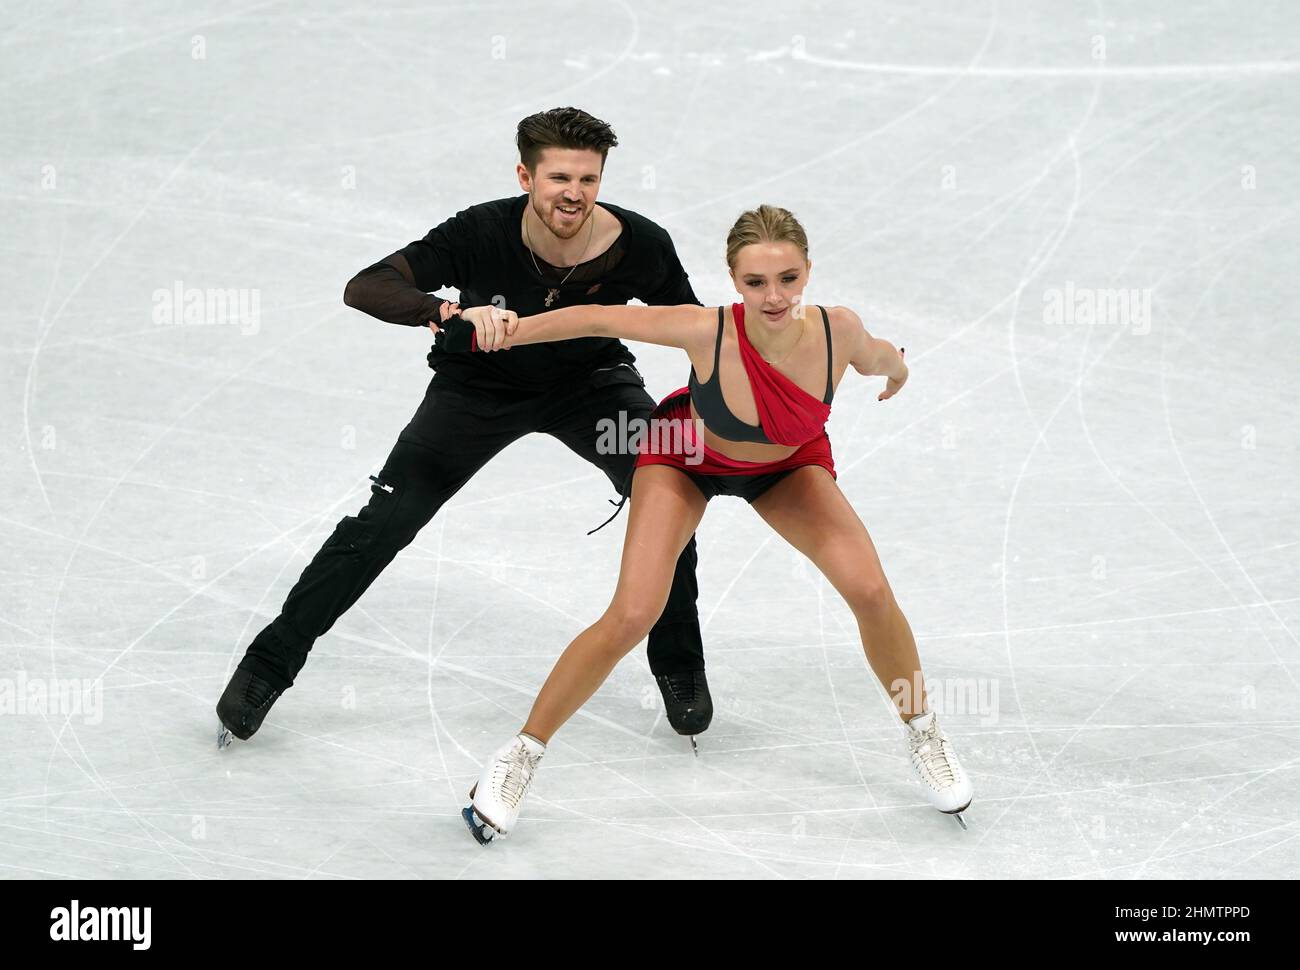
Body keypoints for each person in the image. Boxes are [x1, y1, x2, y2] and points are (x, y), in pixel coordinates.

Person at [449, 204, 974, 843]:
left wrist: (900, 371)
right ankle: (519, 757)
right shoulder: (707, 331)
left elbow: (880, 357)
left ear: (808, 271)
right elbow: (592, 317)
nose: (773, 296)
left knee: (869, 590)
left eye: (787, 278)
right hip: (685, 460)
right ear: (734, 281)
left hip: (786, 468)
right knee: (633, 614)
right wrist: (499, 331)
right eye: (756, 282)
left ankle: (924, 733)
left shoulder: (838, 330)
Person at [215, 107, 715, 749]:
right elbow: (366, 286)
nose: (574, 194)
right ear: (525, 176)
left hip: (593, 387)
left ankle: (680, 666)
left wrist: (717, 399)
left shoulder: (642, 243)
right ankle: (267, 665)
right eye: (559, 177)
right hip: (476, 390)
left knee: (669, 492)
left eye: (588, 179)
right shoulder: (479, 230)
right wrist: (445, 310)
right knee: (382, 525)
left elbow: (697, 327)